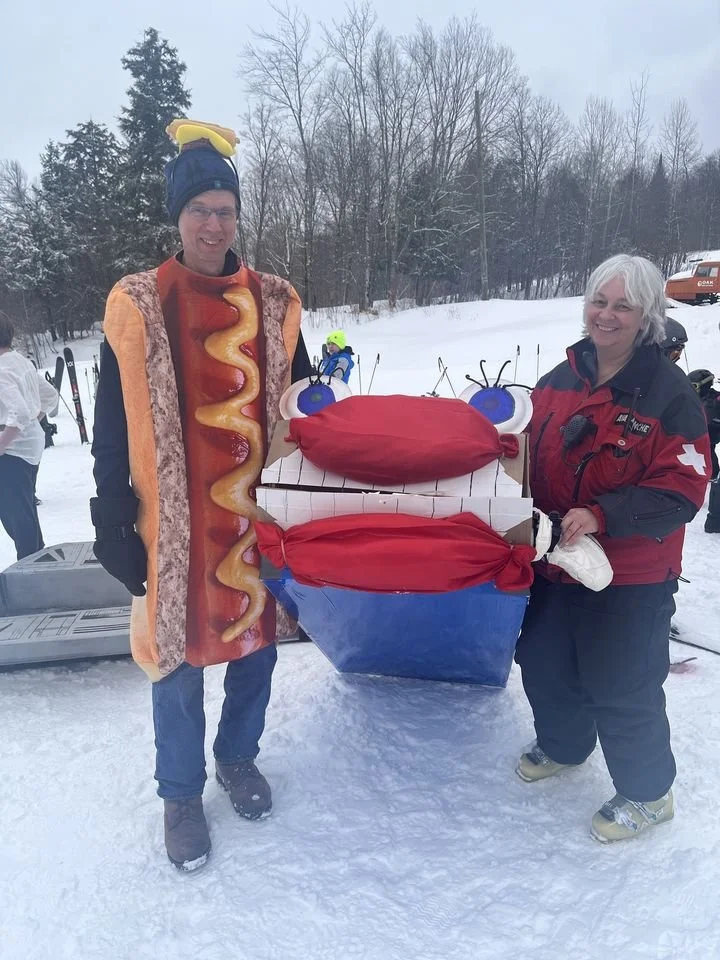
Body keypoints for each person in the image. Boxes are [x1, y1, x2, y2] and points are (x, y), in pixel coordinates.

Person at [90, 119, 311, 872]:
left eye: (225, 210)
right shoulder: (139, 303)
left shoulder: (275, 303)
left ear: (238, 216)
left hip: (258, 512)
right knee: (176, 659)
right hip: (172, 521)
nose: (213, 224)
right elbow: (111, 422)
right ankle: (180, 794)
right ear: (177, 217)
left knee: (256, 648)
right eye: (199, 210)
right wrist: (111, 516)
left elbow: (304, 408)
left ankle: (238, 757)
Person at [515, 254, 710, 843]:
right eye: (599, 302)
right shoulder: (560, 378)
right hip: (555, 560)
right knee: (544, 662)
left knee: (622, 682)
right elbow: (523, 451)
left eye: (623, 306)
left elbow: (683, 487)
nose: (606, 315)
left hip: (630, 574)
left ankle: (649, 795)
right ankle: (564, 745)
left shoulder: (669, 395)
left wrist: (602, 514)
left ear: (647, 315)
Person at [0, 312, 58, 560]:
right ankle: (38, 562)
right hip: (29, 445)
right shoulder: (19, 362)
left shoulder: (2, 370)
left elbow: (20, 414)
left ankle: (29, 569)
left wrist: (3, 443)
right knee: (23, 510)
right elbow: (50, 395)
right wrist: (35, 419)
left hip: (13, 450)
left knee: (15, 514)